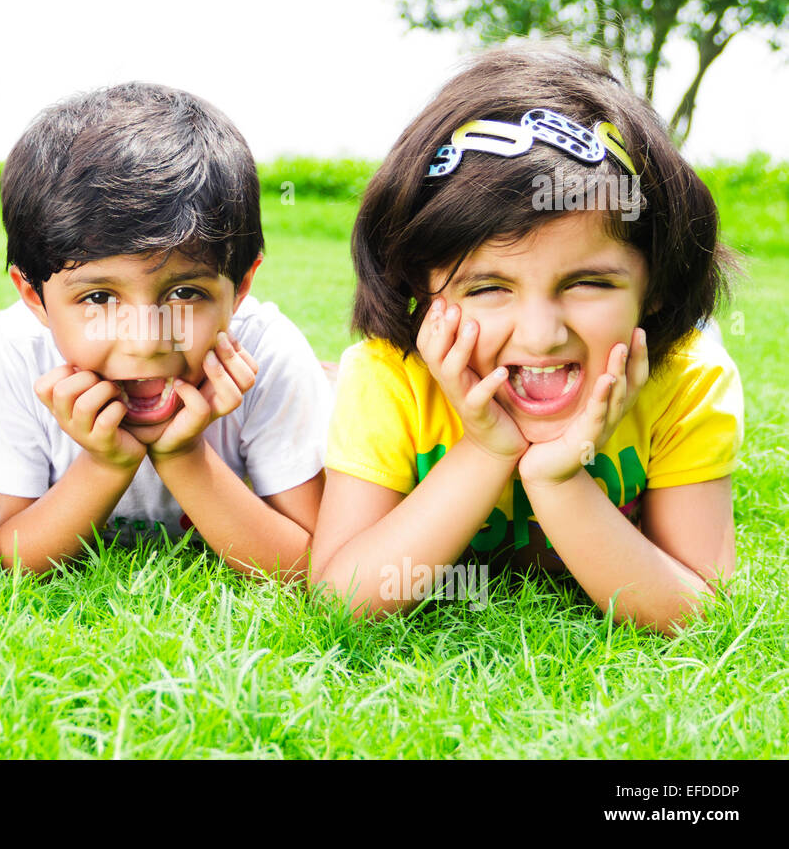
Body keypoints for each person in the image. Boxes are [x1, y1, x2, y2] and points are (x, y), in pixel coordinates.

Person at [310, 46, 742, 634]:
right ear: (420, 290)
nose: (540, 336)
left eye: (587, 282)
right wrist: (485, 451)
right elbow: (345, 599)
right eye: (488, 287)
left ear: (658, 282)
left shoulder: (687, 382)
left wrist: (559, 479)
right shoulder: (388, 379)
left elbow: (700, 614)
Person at [0, 82, 331, 578]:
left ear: (240, 287)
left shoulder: (270, 353)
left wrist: (185, 456)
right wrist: (105, 465)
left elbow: (314, 567)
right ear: (34, 297)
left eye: (184, 294)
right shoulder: (14, 352)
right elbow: (2, 556)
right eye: (98, 298)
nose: (146, 341)